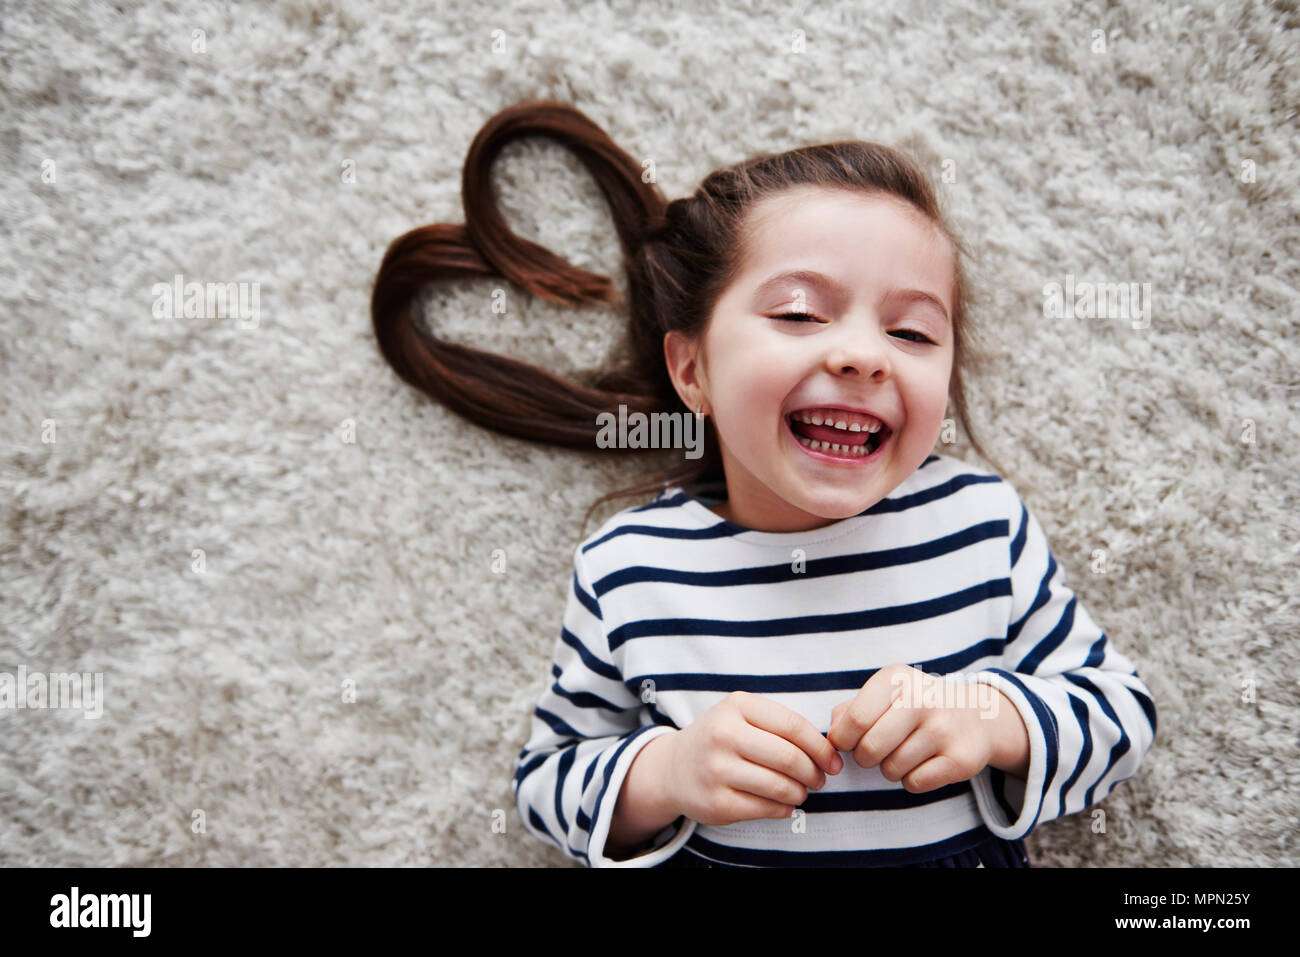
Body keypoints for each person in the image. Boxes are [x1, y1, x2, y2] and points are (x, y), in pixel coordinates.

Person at [370, 101, 1157, 868]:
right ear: (692, 369)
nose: (864, 355)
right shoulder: (632, 567)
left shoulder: (980, 523)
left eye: (911, 331)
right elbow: (546, 782)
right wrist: (669, 774)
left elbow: (1122, 713)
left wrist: (996, 718)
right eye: (800, 314)